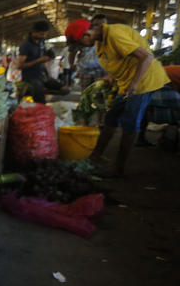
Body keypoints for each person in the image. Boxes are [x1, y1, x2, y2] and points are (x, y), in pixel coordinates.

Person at [64, 18, 170, 177]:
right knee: (110, 118)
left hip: (143, 82)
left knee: (130, 122)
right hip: (126, 83)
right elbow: (121, 62)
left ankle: (119, 168)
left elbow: (146, 57)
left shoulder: (114, 34)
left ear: (87, 34)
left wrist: (134, 84)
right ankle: (94, 157)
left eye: (80, 44)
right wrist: (111, 79)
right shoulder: (101, 42)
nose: (81, 47)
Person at [16, 21, 51, 103]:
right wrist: (38, 60)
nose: (44, 36)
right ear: (33, 32)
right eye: (41, 34)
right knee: (41, 100)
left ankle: (35, 93)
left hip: (41, 74)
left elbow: (42, 61)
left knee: (64, 89)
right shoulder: (26, 46)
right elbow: (19, 66)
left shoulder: (42, 43)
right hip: (30, 77)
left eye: (45, 34)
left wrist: (47, 73)